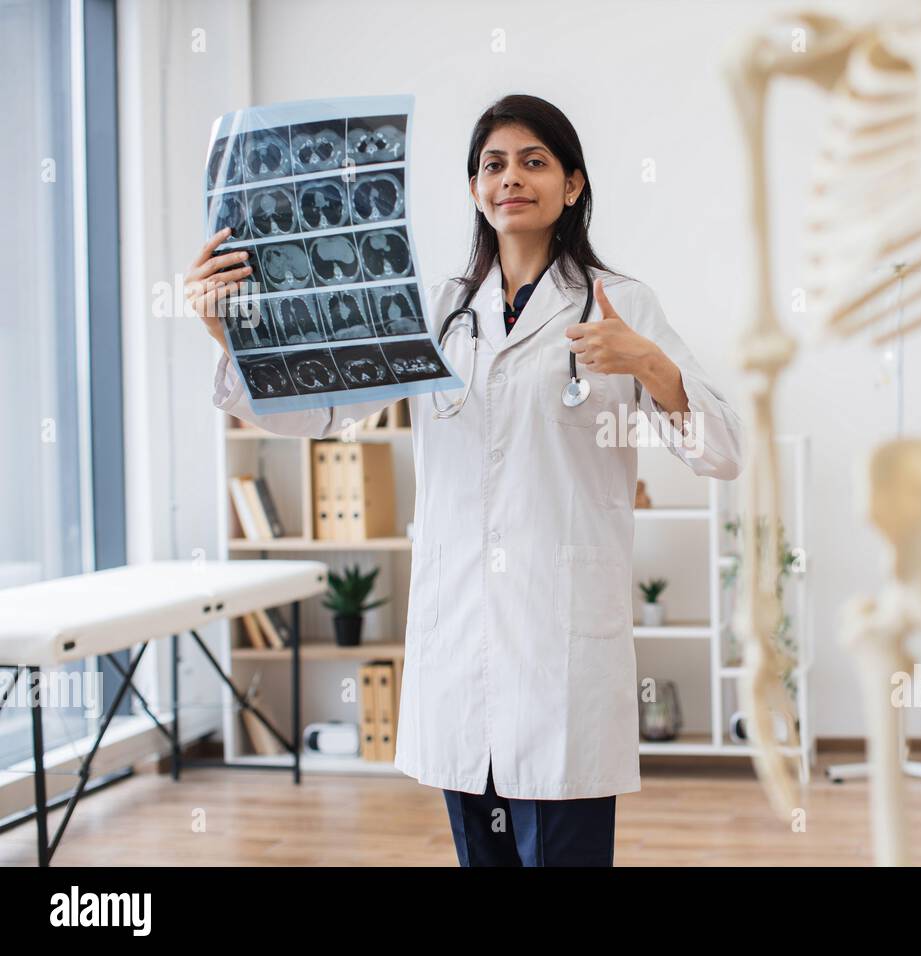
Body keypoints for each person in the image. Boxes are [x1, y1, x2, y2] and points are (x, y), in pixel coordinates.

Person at [184, 93, 744, 867]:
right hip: (463, 636)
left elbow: (720, 452)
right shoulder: (437, 310)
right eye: (492, 164)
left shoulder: (622, 304)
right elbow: (326, 414)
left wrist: (647, 361)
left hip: (561, 642)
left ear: (573, 185)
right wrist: (230, 335)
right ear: (476, 187)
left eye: (533, 160)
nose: (510, 177)